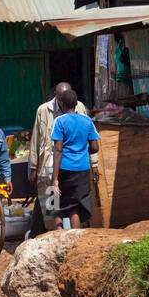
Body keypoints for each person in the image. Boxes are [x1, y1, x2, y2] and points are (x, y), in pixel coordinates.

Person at [28, 82, 89, 232]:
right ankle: (56, 236)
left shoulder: (79, 108)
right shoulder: (43, 110)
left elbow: (86, 140)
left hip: (69, 166)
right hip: (51, 165)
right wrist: (33, 167)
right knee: (55, 206)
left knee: (66, 205)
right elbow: (36, 139)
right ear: (56, 97)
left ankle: (70, 238)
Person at [49, 89, 100, 229]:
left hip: (65, 168)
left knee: (53, 201)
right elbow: (95, 148)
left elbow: (58, 149)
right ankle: (75, 241)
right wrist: (82, 151)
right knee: (75, 207)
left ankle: (58, 234)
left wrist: (55, 178)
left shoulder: (59, 121)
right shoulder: (87, 120)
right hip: (83, 169)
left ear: (61, 104)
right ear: (76, 104)